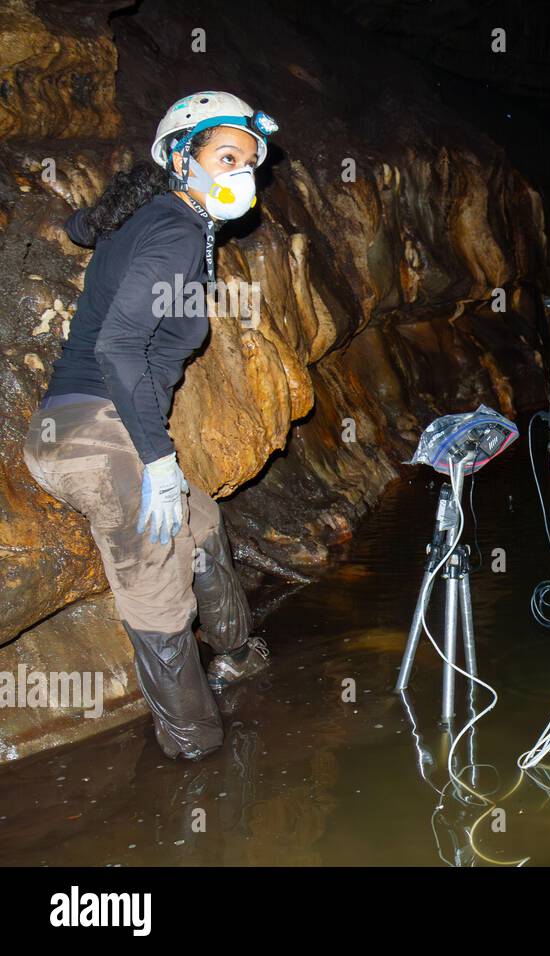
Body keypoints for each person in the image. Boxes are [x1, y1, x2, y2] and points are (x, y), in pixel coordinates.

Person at [23, 92, 281, 760]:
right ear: (179, 158)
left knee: (200, 521)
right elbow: (117, 348)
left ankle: (238, 655)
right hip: (92, 432)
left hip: (90, 423)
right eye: (226, 158)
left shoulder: (167, 220)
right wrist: (158, 463)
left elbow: (87, 227)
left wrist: (84, 223)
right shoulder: (172, 227)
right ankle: (195, 746)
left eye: (250, 163)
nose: (241, 176)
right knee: (158, 574)